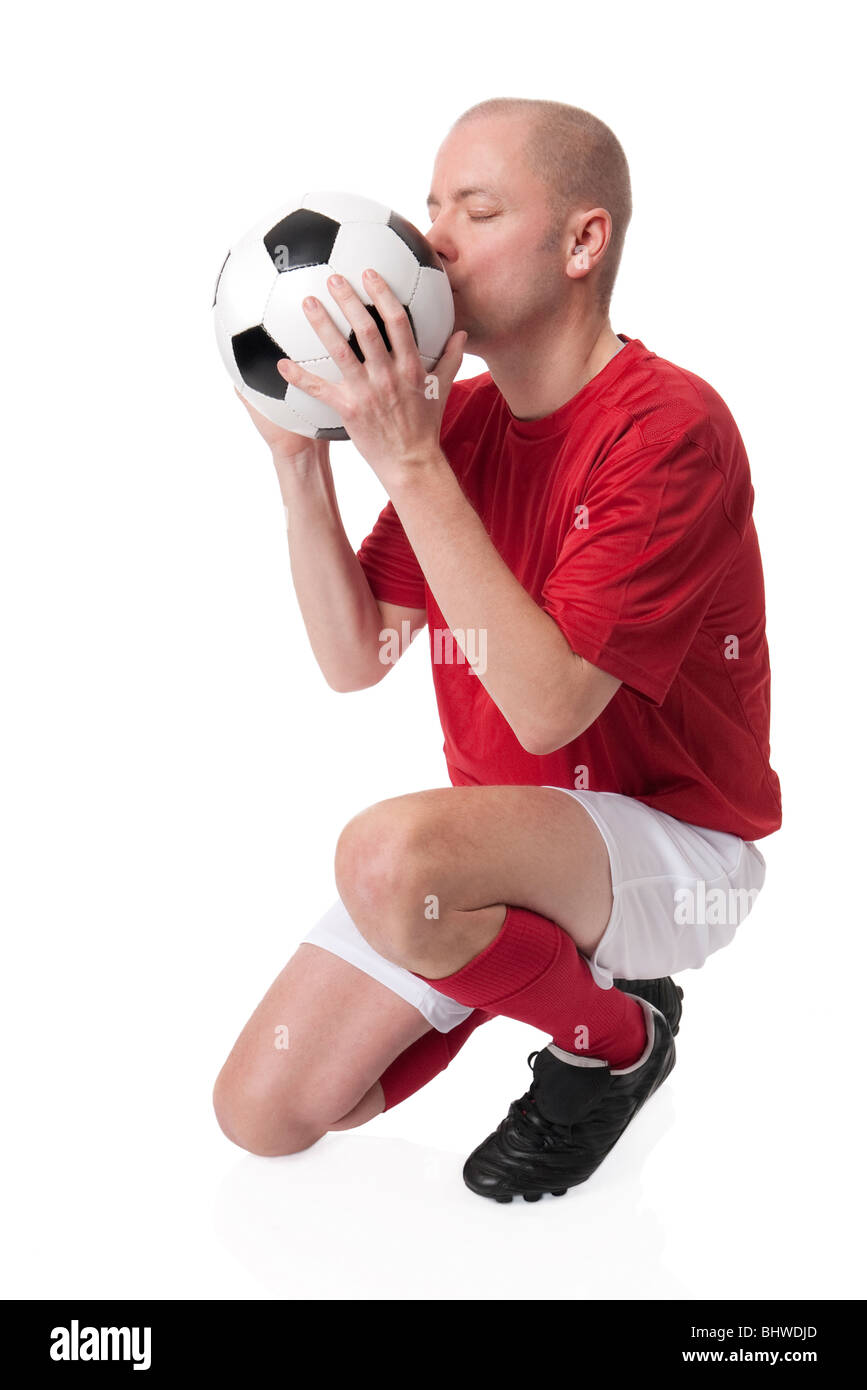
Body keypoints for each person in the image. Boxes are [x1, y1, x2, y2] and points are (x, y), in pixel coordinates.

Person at [212, 97, 782, 1203]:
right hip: (502, 842)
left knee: (386, 860)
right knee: (263, 1112)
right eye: (429, 210)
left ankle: (618, 1035)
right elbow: (354, 655)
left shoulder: (669, 430)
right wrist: (300, 464)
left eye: (475, 210)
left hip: (673, 849)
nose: (433, 243)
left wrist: (411, 463)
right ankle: (513, 960)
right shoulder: (462, 426)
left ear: (581, 242)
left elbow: (549, 708)